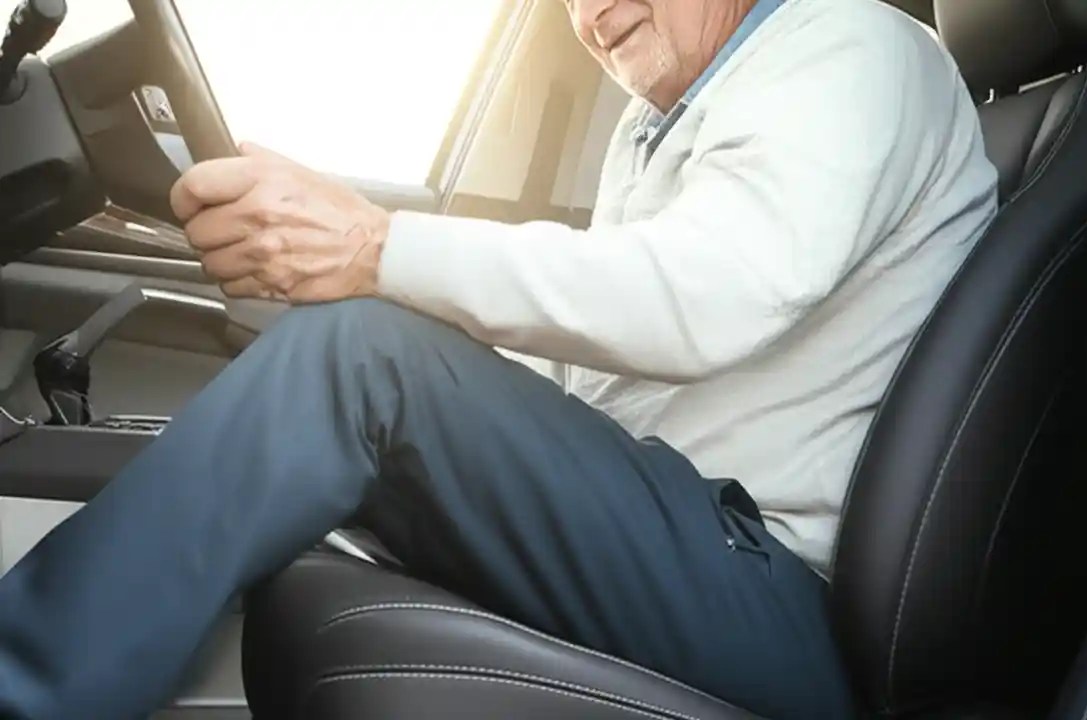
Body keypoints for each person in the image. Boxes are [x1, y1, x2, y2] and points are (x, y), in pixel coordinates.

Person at [0, 0, 997, 717]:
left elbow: (708, 294)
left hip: (779, 600)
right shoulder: (664, 129)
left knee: (360, 360)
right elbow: (595, 373)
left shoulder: (849, 43)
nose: (591, 12)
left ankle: (21, 686)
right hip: (686, 537)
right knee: (373, 374)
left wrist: (375, 249)